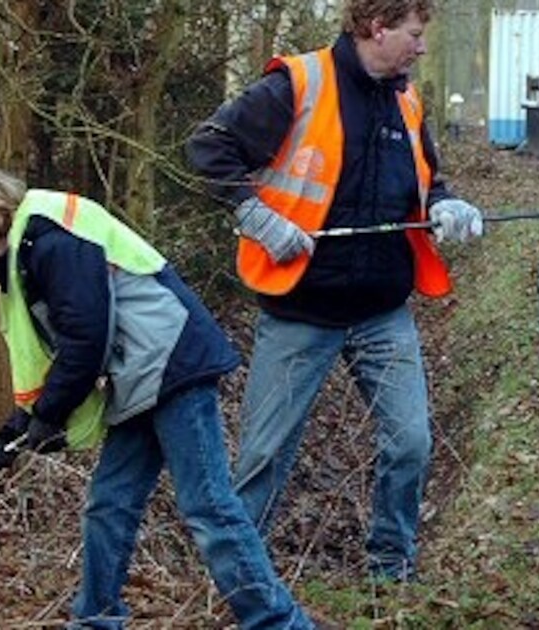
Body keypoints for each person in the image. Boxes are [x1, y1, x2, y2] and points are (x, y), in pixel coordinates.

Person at [0, 166, 314, 629]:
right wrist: (16, 428)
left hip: (173, 365)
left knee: (208, 507)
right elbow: (61, 351)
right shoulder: (29, 248)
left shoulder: (50, 239)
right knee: (109, 504)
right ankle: (96, 619)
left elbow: (86, 339)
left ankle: (281, 623)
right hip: (139, 378)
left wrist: (48, 416)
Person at [185, 0, 484, 582]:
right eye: (415, 34)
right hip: (302, 309)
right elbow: (208, 148)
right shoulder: (297, 84)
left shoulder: (408, 98)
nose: (422, 47)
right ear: (378, 28)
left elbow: (429, 178)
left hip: (383, 311)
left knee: (411, 444)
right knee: (264, 457)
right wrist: (256, 217)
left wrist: (445, 205)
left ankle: (389, 567)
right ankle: (238, 583)